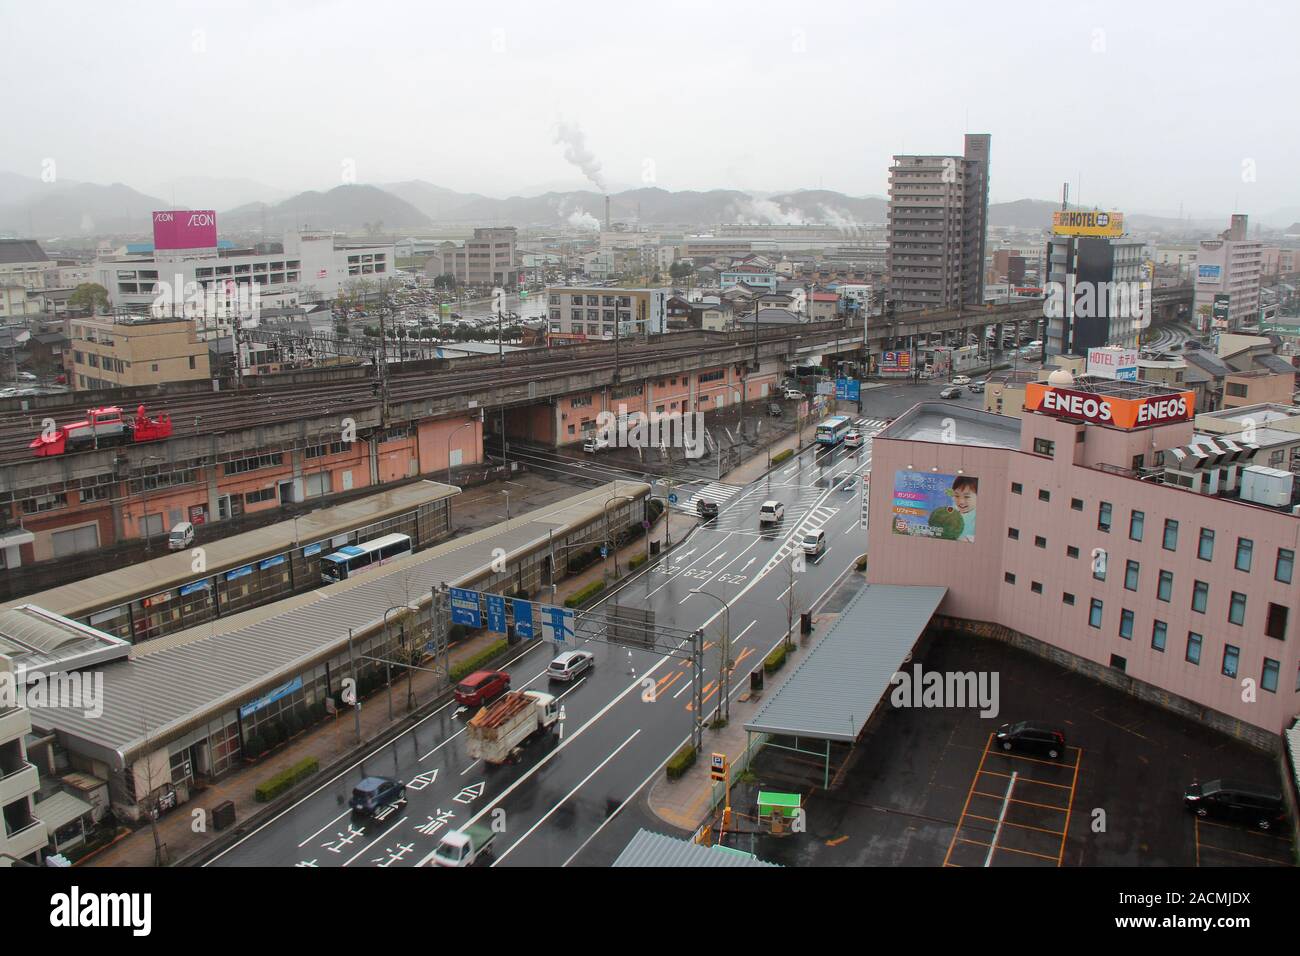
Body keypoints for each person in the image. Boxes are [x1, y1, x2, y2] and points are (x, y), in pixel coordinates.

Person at [950, 476, 978, 542]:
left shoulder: (979, 516)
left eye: (967, 497)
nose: (961, 501)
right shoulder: (952, 510)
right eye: (956, 496)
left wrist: (968, 539)